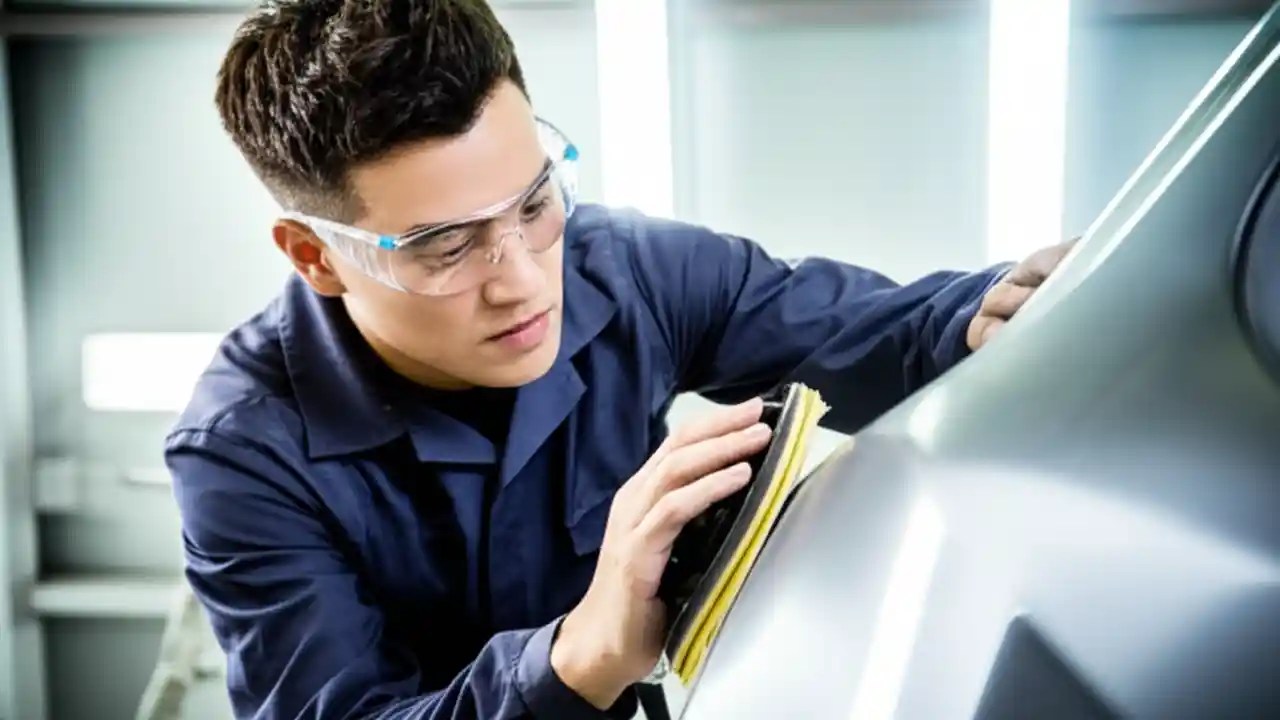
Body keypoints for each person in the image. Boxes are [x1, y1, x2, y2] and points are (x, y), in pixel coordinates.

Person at [166, 0, 1074, 718]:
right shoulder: (241, 453)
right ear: (317, 255)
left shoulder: (627, 269)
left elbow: (886, 332)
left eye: (533, 203)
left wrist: (1002, 312)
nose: (522, 280)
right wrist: (584, 652)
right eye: (446, 247)